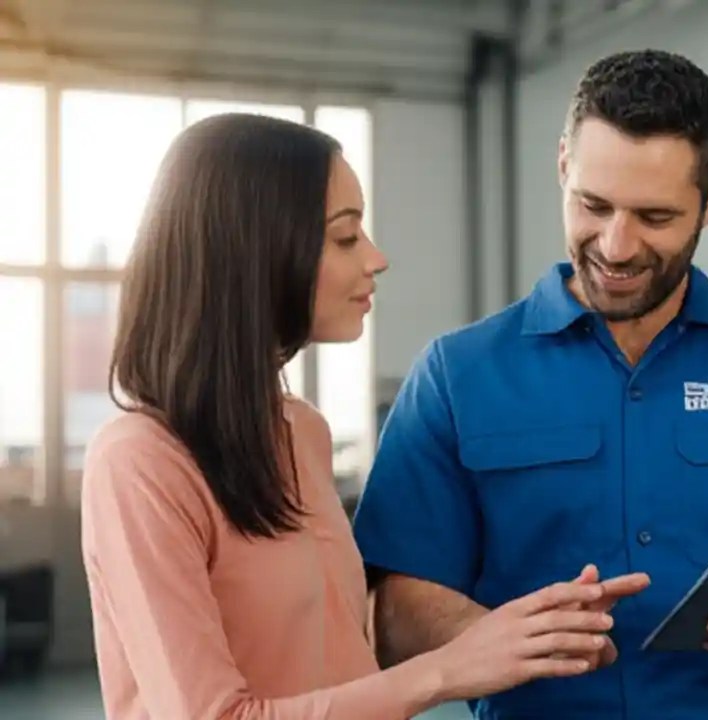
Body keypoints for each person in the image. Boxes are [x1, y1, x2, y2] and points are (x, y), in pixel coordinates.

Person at [352, 49, 708, 718]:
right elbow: (397, 607)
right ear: (562, 167)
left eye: (654, 217)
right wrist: (494, 641)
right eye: (592, 205)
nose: (617, 245)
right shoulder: (457, 376)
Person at [80, 113, 645, 720]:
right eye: (346, 237)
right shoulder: (139, 461)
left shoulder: (300, 432)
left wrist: (514, 628)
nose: (376, 259)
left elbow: (336, 656)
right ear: (257, 253)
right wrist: (448, 671)